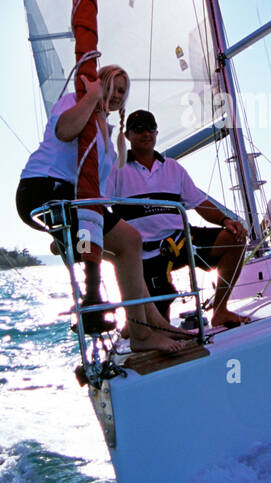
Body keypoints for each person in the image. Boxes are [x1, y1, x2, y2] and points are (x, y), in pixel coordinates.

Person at [16, 68, 185, 354]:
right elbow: (65, 130)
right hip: (44, 189)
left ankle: (153, 323)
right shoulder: (74, 101)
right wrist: (91, 96)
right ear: (98, 84)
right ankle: (142, 337)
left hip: (71, 199)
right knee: (130, 240)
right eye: (112, 87)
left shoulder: (108, 138)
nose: (117, 95)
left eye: (122, 91)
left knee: (127, 251)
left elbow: (101, 192)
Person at [104, 110, 250, 328]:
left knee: (236, 238)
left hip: (182, 242)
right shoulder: (116, 170)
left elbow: (198, 202)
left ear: (157, 132)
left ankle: (220, 311)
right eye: (139, 129)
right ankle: (134, 323)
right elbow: (95, 205)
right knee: (157, 325)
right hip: (143, 253)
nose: (146, 133)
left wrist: (224, 220)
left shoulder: (173, 167)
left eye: (150, 128)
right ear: (128, 136)